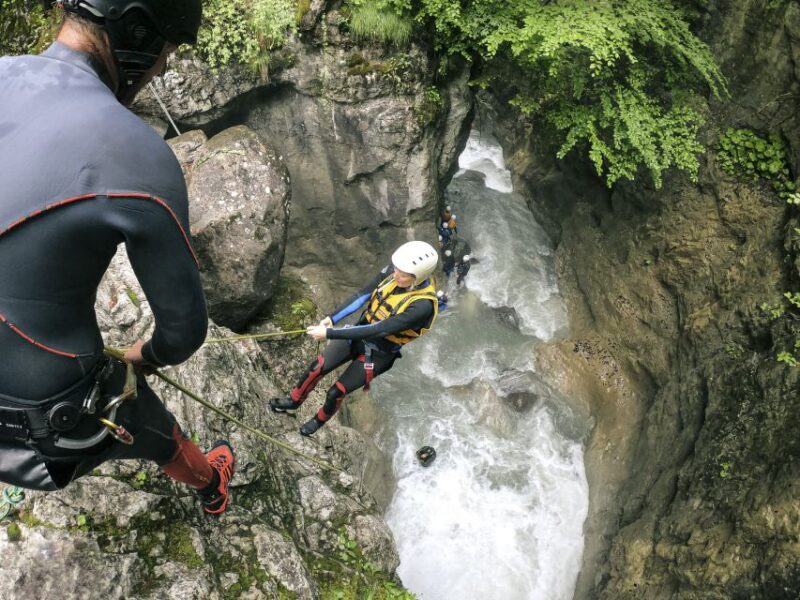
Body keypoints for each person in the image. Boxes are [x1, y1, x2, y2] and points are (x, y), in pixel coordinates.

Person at [0, 0, 235, 514]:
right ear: (136, 30)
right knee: (143, 420)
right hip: (42, 422)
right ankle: (209, 483)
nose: (164, 66)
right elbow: (184, 333)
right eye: (166, 50)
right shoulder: (141, 155)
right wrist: (142, 356)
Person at [271, 241, 439, 436]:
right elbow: (362, 295)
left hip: (379, 352)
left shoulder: (422, 306)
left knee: (336, 392)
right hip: (358, 334)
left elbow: (378, 329)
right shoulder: (392, 275)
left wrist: (330, 334)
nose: (395, 275)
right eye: (396, 269)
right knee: (317, 368)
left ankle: (317, 423)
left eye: (402, 274)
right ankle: (293, 401)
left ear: (418, 277)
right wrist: (332, 318)